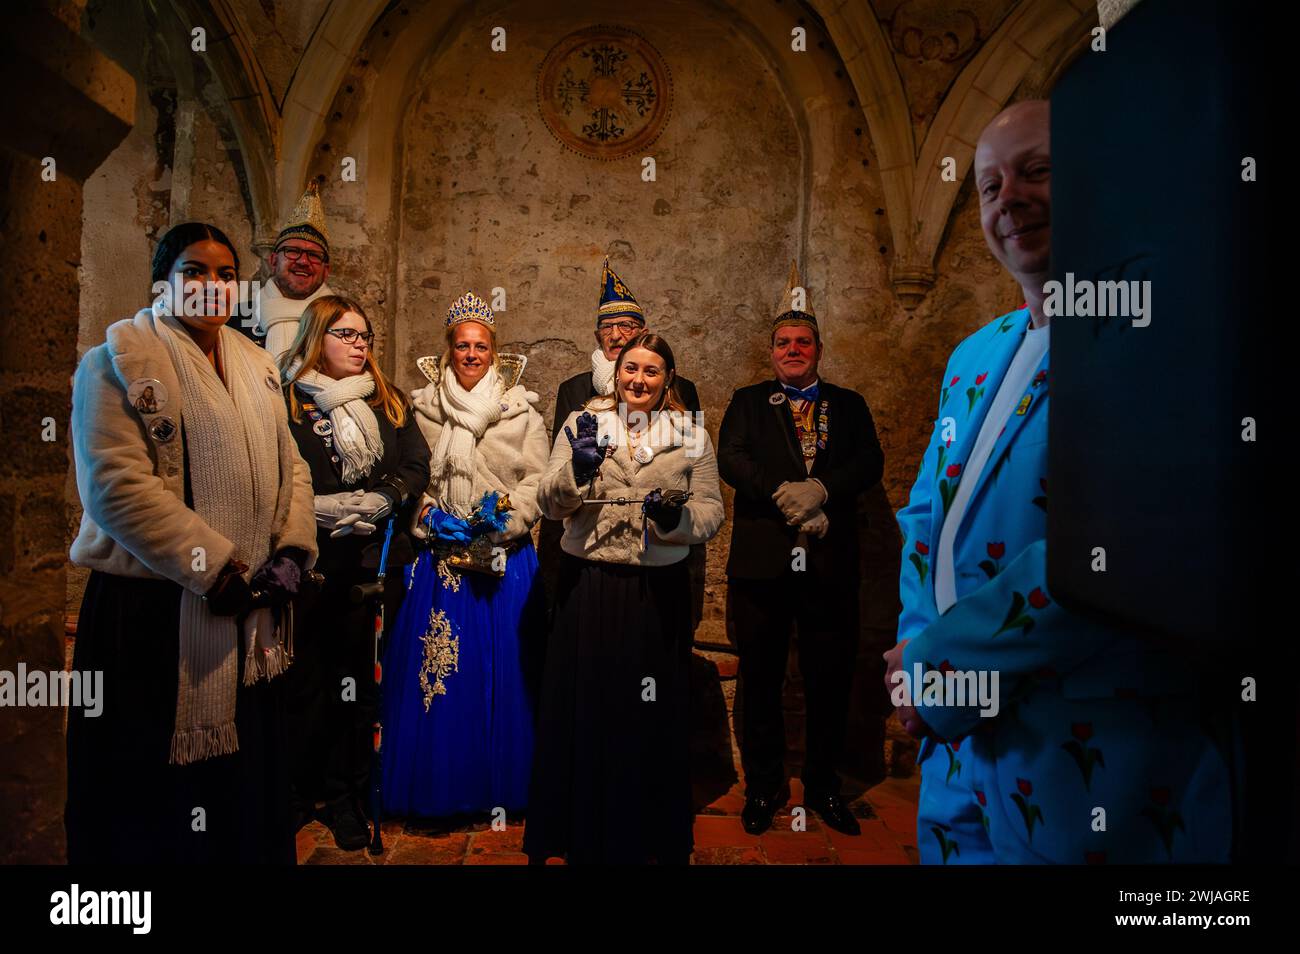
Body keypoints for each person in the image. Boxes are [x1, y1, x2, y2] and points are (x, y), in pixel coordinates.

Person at [888, 100, 1233, 863]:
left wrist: (940, 670)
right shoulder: (976, 355)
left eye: (1037, 171)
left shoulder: (1158, 335)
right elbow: (923, 522)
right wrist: (916, 655)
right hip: (956, 749)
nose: (1007, 198)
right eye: (988, 186)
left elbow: (1115, 546)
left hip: (1090, 759)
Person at [66, 221, 318, 863]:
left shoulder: (258, 364)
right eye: (194, 271)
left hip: (248, 606)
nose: (213, 285)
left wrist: (289, 549)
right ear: (164, 279)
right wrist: (217, 569)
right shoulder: (115, 360)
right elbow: (118, 489)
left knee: (242, 785)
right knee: (155, 797)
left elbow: (291, 465)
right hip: (154, 610)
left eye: (226, 273)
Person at [525, 331, 724, 864]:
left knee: (646, 710)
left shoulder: (691, 433)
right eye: (630, 369)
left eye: (651, 371)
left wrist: (673, 520)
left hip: (654, 593)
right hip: (587, 586)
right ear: (617, 374)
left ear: (668, 380)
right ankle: (579, 829)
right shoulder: (581, 424)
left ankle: (643, 832)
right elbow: (547, 503)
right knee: (585, 705)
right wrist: (577, 473)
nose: (638, 379)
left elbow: (711, 511)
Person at [718, 262, 884, 836]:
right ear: (771, 352)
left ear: (818, 349)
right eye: (784, 342)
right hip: (763, 565)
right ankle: (763, 789)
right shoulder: (746, 400)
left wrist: (824, 490)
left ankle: (824, 787)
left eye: (803, 341)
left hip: (830, 565)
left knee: (829, 679)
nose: (793, 349)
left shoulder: (850, 403)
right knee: (760, 680)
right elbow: (731, 459)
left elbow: (869, 462)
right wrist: (786, 495)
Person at [381, 291, 549, 819]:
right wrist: (430, 516)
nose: (471, 354)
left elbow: (539, 482)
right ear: (448, 351)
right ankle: (444, 786)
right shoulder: (421, 412)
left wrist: (507, 519)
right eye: (462, 346)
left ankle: (501, 788)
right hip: (441, 562)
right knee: (444, 676)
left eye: (480, 346)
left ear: (494, 353)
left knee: (506, 672)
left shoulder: (522, 414)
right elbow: (411, 477)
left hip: (505, 560)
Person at [278, 295, 430, 849]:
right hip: (311, 564)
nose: (360, 343)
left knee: (357, 689)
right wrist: (315, 507)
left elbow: (417, 463)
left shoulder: (389, 400)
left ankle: (346, 796)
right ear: (317, 337)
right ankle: (298, 793)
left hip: (372, 564)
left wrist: (387, 498)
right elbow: (273, 469)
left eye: (364, 334)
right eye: (345, 334)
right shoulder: (287, 399)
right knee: (304, 684)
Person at [538, 258, 702, 615]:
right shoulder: (574, 390)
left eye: (626, 325)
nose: (616, 335)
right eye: (607, 327)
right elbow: (558, 468)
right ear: (598, 335)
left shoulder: (684, 389)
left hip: (659, 552)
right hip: (590, 547)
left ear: (643, 332)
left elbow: (695, 476)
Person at [240, 179, 337, 359]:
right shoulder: (239, 320)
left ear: (326, 270)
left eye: (314, 255)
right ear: (274, 260)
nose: (303, 261)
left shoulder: (343, 324)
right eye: (293, 251)